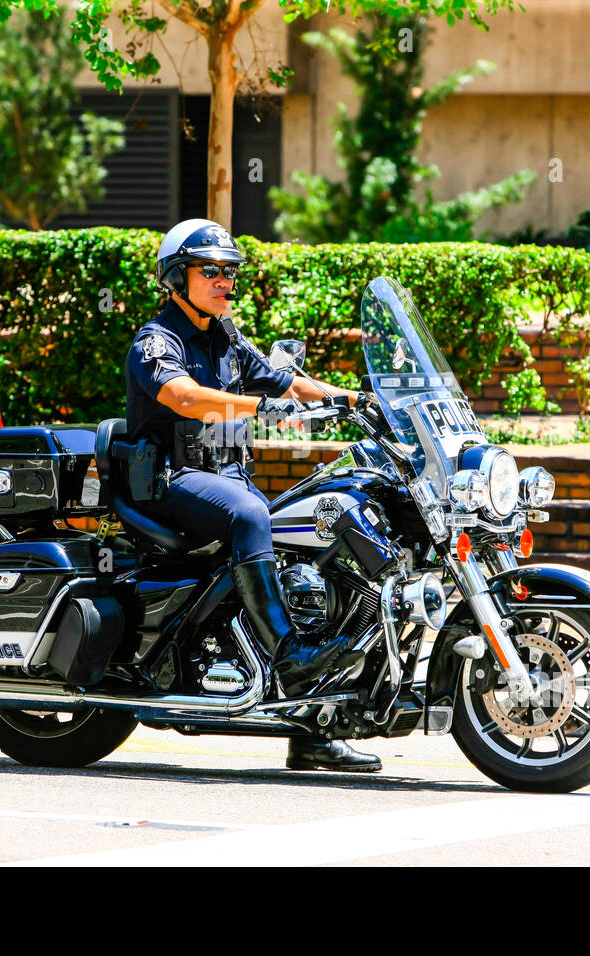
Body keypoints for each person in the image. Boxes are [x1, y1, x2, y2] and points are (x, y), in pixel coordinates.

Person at [124, 218, 381, 773]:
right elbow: (185, 399)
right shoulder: (156, 340)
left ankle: (316, 725)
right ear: (177, 277)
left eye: (229, 272)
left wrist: (357, 400)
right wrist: (258, 409)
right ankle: (290, 655)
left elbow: (287, 382)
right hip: (171, 480)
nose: (224, 281)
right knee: (250, 514)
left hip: (225, 477)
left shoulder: (227, 337)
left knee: (315, 534)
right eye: (210, 271)